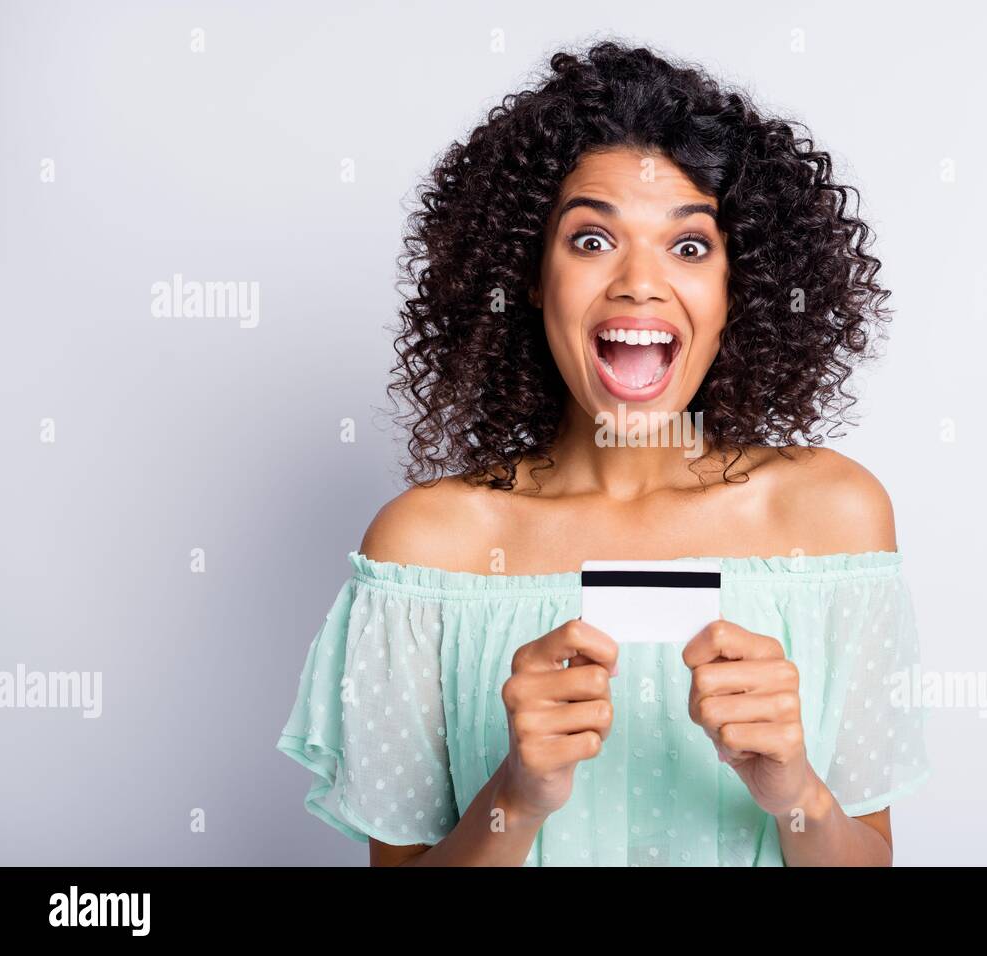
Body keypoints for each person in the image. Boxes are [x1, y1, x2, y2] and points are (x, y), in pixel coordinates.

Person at [276, 39, 932, 866]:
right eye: (592, 241)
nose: (639, 282)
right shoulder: (428, 549)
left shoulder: (831, 518)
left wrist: (794, 792)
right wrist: (517, 795)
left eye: (689, 246)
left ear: (740, 287)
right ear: (529, 274)